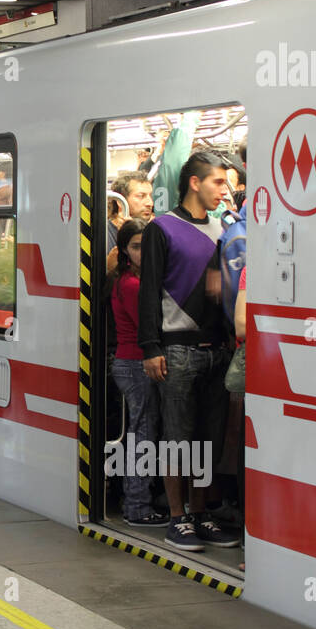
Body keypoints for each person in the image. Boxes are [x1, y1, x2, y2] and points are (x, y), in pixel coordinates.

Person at [138, 151, 240, 552]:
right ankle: (178, 518)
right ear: (195, 183)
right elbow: (150, 290)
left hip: (218, 349)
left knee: (208, 438)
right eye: (217, 182)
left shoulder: (224, 228)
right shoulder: (162, 228)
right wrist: (151, 347)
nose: (225, 190)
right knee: (179, 437)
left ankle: (201, 513)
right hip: (176, 348)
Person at [107, 219, 168, 527]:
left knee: (140, 432)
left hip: (128, 363)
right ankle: (137, 507)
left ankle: (137, 501)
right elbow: (149, 325)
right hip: (135, 364)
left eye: (147, 246)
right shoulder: (132, 285)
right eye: (135, 246)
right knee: (142, 434)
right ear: (124, 251)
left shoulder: (127, 280)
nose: (143, 252)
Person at [106, 170, 154, 274]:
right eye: (141, 196)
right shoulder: (105, 234)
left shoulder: (152, 231)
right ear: (120, 201)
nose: (150, 203)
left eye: (150, 196)